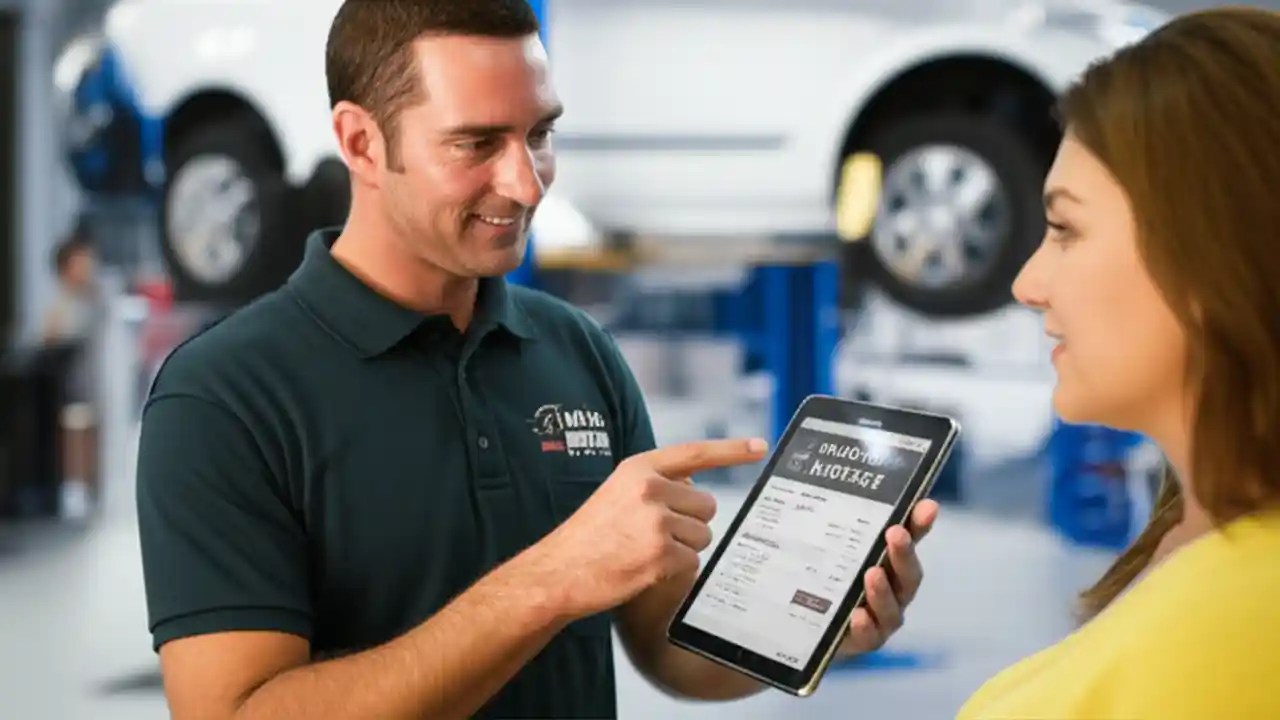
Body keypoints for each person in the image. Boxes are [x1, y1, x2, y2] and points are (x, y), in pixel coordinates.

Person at [135, 3, 939, 719]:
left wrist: (813, 622)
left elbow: (668, 648)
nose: (525, 183)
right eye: (476, 142)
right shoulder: (224, 397)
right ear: (360, 142)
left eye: (540, 134)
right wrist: (550, 580)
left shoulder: (575, 350)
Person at [958, 8, 1280, 719]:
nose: (1026, 283)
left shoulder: (1229, 637)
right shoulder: (1195, 548)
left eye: (1066, 230)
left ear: (1208, 249)